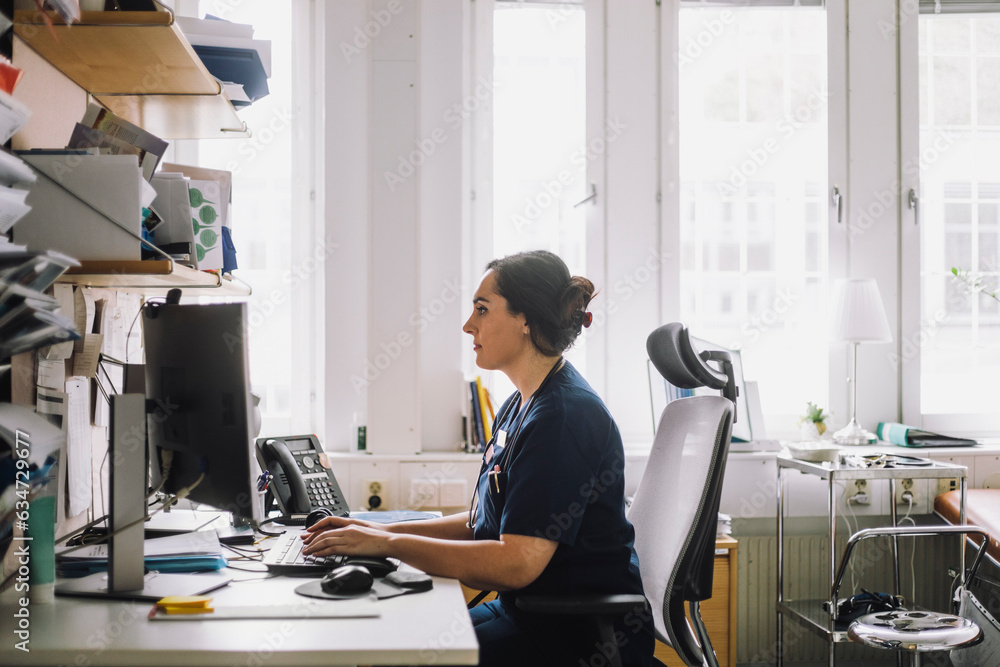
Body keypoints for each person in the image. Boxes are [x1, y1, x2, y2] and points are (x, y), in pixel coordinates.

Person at [303, 250, 653, 666]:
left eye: (482, 310)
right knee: (393, 638)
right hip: (530, 615)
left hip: (576, 638)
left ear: (526, 319)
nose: (469, 325)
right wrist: (371, 531)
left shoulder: (563, 417)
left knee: (394, 657)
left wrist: (387, 544)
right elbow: (483, 524)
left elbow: (516, 562)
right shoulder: (520, 405)